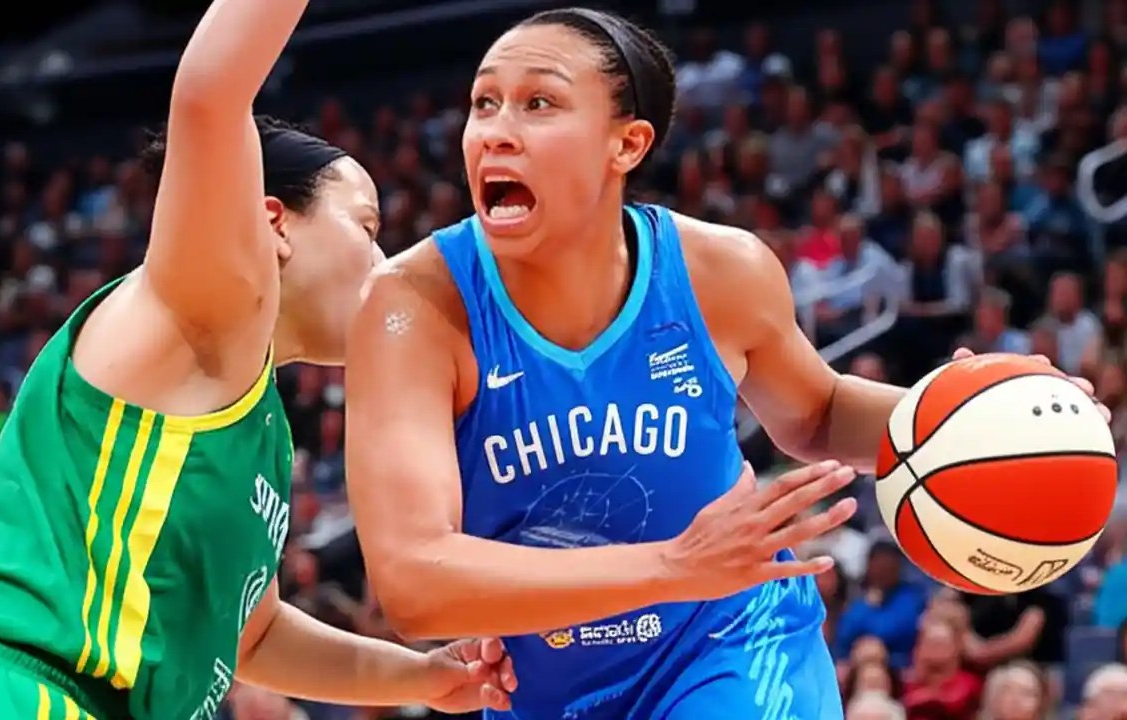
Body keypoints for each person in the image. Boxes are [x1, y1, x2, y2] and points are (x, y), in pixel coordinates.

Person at [344, 7, 1105, 720]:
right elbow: (415, 582)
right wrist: (676, 563)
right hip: (541, 685)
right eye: (484, 104)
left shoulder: (720, 271)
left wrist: (978, 422)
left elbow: (817, 413)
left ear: (627, 144)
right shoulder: (413, 307)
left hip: (728, 642)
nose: (494, 133)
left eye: (538, 104)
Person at [0, 1, 515, 718]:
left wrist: (420, 677)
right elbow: (210, 90)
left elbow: (252, 637)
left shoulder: (252, 417)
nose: (382, 263)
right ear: (270, 222)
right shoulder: (213, 305)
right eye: (366, 226)